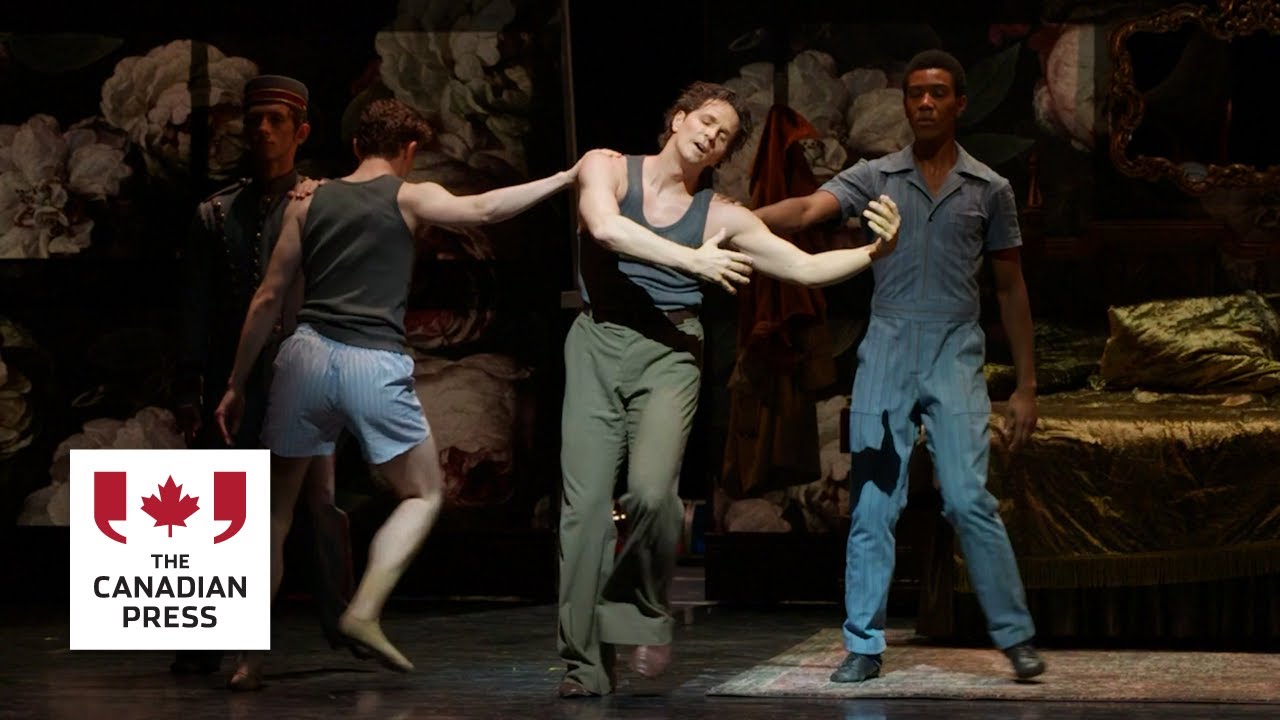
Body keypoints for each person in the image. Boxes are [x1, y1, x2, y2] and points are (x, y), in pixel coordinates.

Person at [214, 98, 608, 690]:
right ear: (410, 151)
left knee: (274, 516)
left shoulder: (307, 200)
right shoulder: (408, 196)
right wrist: (565, 176)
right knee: (423, 494)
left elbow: (268, 298)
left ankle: (248, 660)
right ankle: (365, 609)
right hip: (371, 360)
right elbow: (484, 208)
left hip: (305, 356)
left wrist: (236, 384)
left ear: (356, 146)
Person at [557, 81, 901, 698]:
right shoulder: (608, 169)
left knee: (652, 496)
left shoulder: (719, 214)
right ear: (678, 119)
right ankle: (584, 665)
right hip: (597, 344)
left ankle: (641, 615)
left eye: (724, 137)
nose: (712, 137)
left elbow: (802, 266)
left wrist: (876, 251)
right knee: (583, 515)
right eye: (706, 122)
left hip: (669, 352)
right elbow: (606, 230)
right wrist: (692, 261)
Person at [753, 49, 1045, 682]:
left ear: (959, 102)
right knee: (874, 504)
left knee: (968, 499)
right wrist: (735, 222)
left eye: (938, 92)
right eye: (916, 93)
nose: (926, 103)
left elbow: (1011, 288)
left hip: (954, 349)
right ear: (906, 103)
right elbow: (805, 211)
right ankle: (863, 643)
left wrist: (1026, 385)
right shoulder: (876, 176)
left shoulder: (989, 188)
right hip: (888, 346)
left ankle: (1015, 637)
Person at [172, 74, 355, 676]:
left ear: (300, 131)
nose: (263, 130)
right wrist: (190, 383)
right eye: (255, 119)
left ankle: (344, 621)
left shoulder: (321, 203)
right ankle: (205, 636)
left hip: (305, 371)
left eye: (276, 120)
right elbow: (196, 305)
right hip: (238, 375)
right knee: (221, 503)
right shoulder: (216, 212)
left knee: (319, 502)